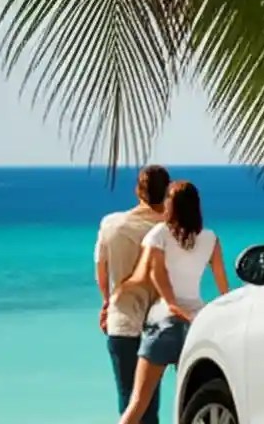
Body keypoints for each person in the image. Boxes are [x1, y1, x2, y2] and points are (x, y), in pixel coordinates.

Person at [117, 180, 229, 424]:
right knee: (191, 404)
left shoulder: (159, 234)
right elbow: (222, 286)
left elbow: (154, 275)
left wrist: (119, 290)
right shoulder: (210, 239)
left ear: (171, 205)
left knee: (137, 403)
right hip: (195, 325)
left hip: (164, 323)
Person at [95, 165, 171, 424]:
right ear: (167, 192)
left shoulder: (111, 225)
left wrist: (107, 303)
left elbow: (102, 271)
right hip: (161, 324)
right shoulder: (172, 230)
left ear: (138, 190)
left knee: (128, 402)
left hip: (123, 321)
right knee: (149, 405)